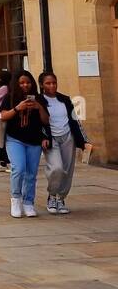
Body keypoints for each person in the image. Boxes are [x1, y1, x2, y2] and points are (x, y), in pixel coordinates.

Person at [0, 70, 50, 218]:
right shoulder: (11, 97)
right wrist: (17, 108)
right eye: (21, 83)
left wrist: (39, 107)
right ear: (16, 84)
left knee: (31, 173)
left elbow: (46, 120)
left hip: (34, 140)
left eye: (27, 82)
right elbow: (2, 115)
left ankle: (28, 202)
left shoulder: (39, 98)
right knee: (18, 168)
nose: (25, 85)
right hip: (15, 139)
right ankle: (15, 199)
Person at [39, 72, 85, 214]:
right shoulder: (39, 100)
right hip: (51, 139)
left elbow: (75, 121)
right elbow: (37, 122)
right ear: (42, 85)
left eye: (54, 82)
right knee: (56, 168)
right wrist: (42, 137)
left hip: (67, 137)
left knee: (67, 170)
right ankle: (52, 195)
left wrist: (83, 142)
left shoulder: (65, 99)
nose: (52, 85)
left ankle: (61, 198)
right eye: (48, 83)